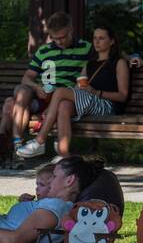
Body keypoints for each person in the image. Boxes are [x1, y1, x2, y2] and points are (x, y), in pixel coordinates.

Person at [16, 25, 130, 160]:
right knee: (64, 105)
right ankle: (63, 154)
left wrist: (96, 92)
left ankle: (40, 141)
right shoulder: (90, 63)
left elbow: (123, 96)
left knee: (60, 92)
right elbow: (78, 87)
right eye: (95, 38)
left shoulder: (119, 63)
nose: (97, 42)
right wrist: (52, 108)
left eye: (101, 38)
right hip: (91, 102)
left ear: (111, 41)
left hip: (107, 106)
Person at [1, 13, 92, 165]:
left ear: (70, 29)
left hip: (65, 98)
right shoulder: (44, 51)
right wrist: (36, 87)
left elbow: (110, 55)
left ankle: (16, 151)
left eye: (62, 37)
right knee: (18, 96)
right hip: (43, 96)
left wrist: (132, 57)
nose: (59, 41)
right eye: (55, 38)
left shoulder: (86, 48)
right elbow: (27, 78)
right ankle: (18, 143)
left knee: (10, 104)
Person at [0, 155, 103, 243]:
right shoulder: (52, 205)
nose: (49, 181)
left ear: (69, 180)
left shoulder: (57, 206)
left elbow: (13, 240)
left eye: (54, 176)